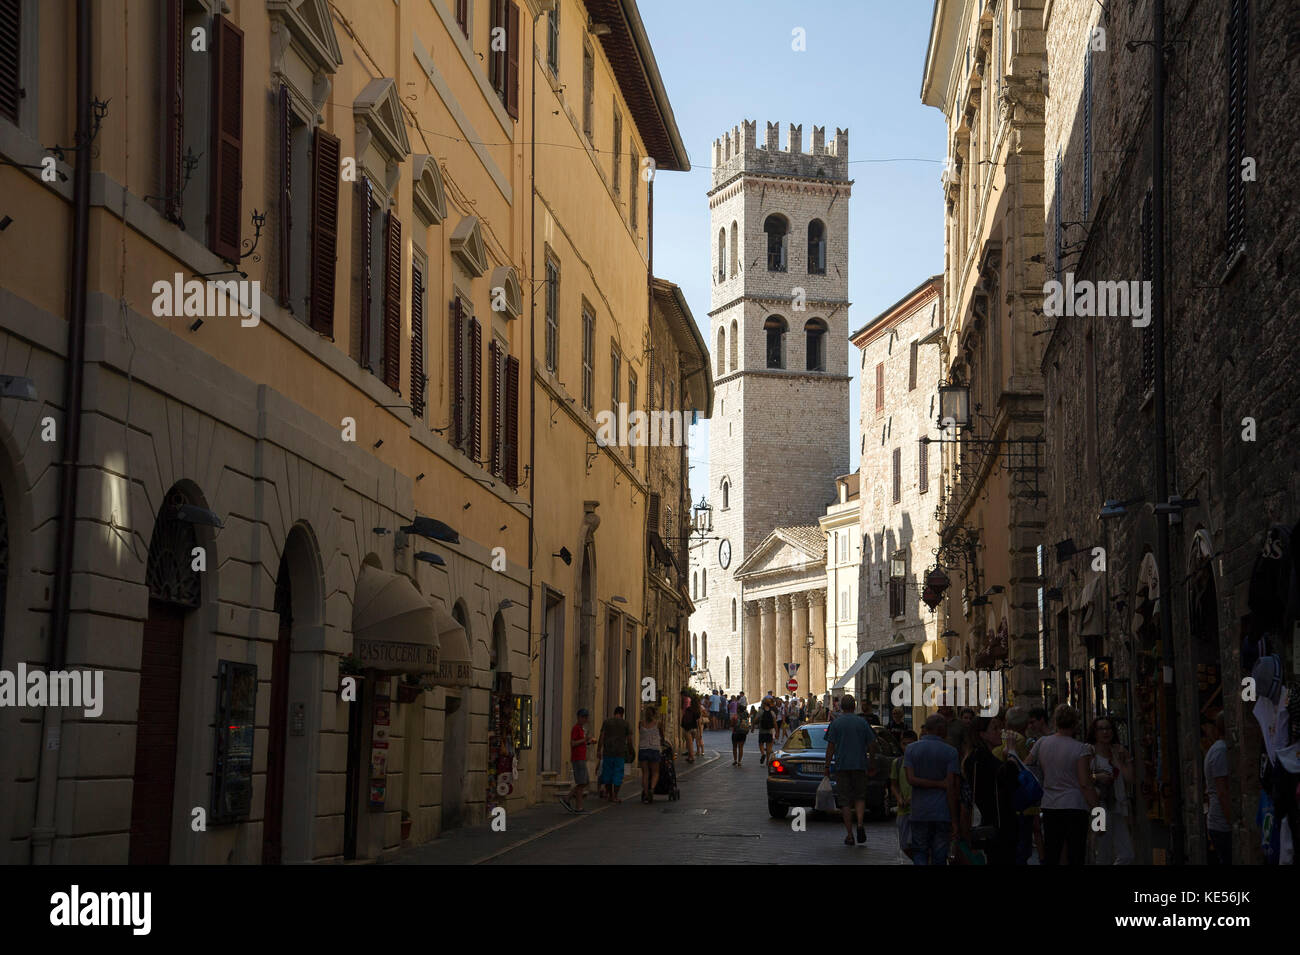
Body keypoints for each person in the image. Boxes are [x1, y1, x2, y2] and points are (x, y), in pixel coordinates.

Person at [1027, 704, 1099, 865]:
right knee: (1075, 852)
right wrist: (1097, 809)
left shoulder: (1042, 743)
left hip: (1050, 804)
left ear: (1055, 722)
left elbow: (1027, 766)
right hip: (1075, 805)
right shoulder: (1080, 749)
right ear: (1075, 724)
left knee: (1052, 850)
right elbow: (1085, 783)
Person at [904, 714, 961, 864]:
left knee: (920, 852)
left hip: (919, 811)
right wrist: (954, 820)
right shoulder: (951, 752)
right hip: (941, 812)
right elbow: (951, 787)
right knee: (939, 856)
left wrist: (935, 784)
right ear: (941, 730)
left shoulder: (910, 749)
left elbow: (910, 779)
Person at [823, 694, 878, 846]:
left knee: (845, 801)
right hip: (860, 765)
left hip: (842, 766)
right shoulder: (862, 722)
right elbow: (872, 743)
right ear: (855, 707)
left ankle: (849, 835)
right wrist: (871, 762)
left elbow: (830, 747)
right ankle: (860, 824)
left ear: (841, 707)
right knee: (860, 797)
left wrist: (827, 766)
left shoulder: (836, 723)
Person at [961, 716, 1017, 865]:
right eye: (995, 729)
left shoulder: (981, 756)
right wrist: (1011, 753)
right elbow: (1007, 778)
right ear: (982, 734)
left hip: (997, 822)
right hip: (996, 823)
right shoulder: (979, 757)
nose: (1000, 732)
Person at [1086, 716, 1134, 864]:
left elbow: (1129, 778)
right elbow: (1083, 778)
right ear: (1094, 732)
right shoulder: (1089, 752)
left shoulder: (1117, 752)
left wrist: (1121, 760)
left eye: (1108, 728)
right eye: (1101, 728)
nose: (1105, 732)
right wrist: (1097, 776)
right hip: (1098, 807)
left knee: (1127, 855)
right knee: (1101, 849)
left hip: (1117, 805)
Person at [1204, 711, 1232, 864]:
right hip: (1221, 822)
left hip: (1218, 820)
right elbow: (1222, 792)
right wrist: (1231, 821)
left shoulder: (1216, 749)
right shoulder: (1221, 751)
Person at [560, 708, 595, 813]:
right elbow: (573, 743)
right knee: (581, 782)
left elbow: (580, 743)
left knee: (584, 782)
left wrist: (589, 742)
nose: (585, 719)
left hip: (581, 758)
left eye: (586, 717)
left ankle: (569, 799)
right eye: (583, 717)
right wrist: (585, 739)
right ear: (579, 717)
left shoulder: (581, 729)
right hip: (577, 758)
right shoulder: (576, 728)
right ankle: (577, 806)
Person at [891, 729, 918, 862]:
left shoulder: (920, 762)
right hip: (903, 810)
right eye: (904, 744)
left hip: (918, 809)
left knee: (916, 843)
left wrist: (912, 798)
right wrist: (899, 798)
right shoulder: (898, 763)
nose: (907, 747)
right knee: (904, 845)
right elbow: (894, 784)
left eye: (910, 744)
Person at [595, 705, 632, 804]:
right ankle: (615, 795)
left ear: (614, 713)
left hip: (608, 752)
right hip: (620, 753)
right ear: (622, 714)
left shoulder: (607, 722)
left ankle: (610, 795)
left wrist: (599, 750)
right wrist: (631, 750)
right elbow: (629, 740)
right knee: (618, 775)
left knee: (607, 774)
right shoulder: (625, 724)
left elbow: (601, 737)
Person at [637, 705, 663, 803]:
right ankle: (652, 789)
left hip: (643, 749)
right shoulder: (658, 724)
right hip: (654, 749)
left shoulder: (641, 724)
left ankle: (646, 793)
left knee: (645, 773)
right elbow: (662, 735)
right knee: (655, 772)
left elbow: (641, 733)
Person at [757, 698, 777, 764]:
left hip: (762, 731)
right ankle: (768, 761)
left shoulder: (761, 711)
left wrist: (753, 727)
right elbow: (775, 723)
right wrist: (777, 732)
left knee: (761, 744)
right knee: (769, 747)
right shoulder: (772, 712)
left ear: (763, 704)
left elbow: (755, 719)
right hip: (770, 731)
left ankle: (763, 753)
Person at [681, 696, 699, 762]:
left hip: (687, 728)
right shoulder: (697, 710)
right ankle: (689, 757)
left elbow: (684, 718)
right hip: (694, 729)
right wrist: (699, 731)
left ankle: (692, 757)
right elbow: (698, 721)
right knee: (691, 743)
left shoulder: (688, 709)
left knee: (689, 744)